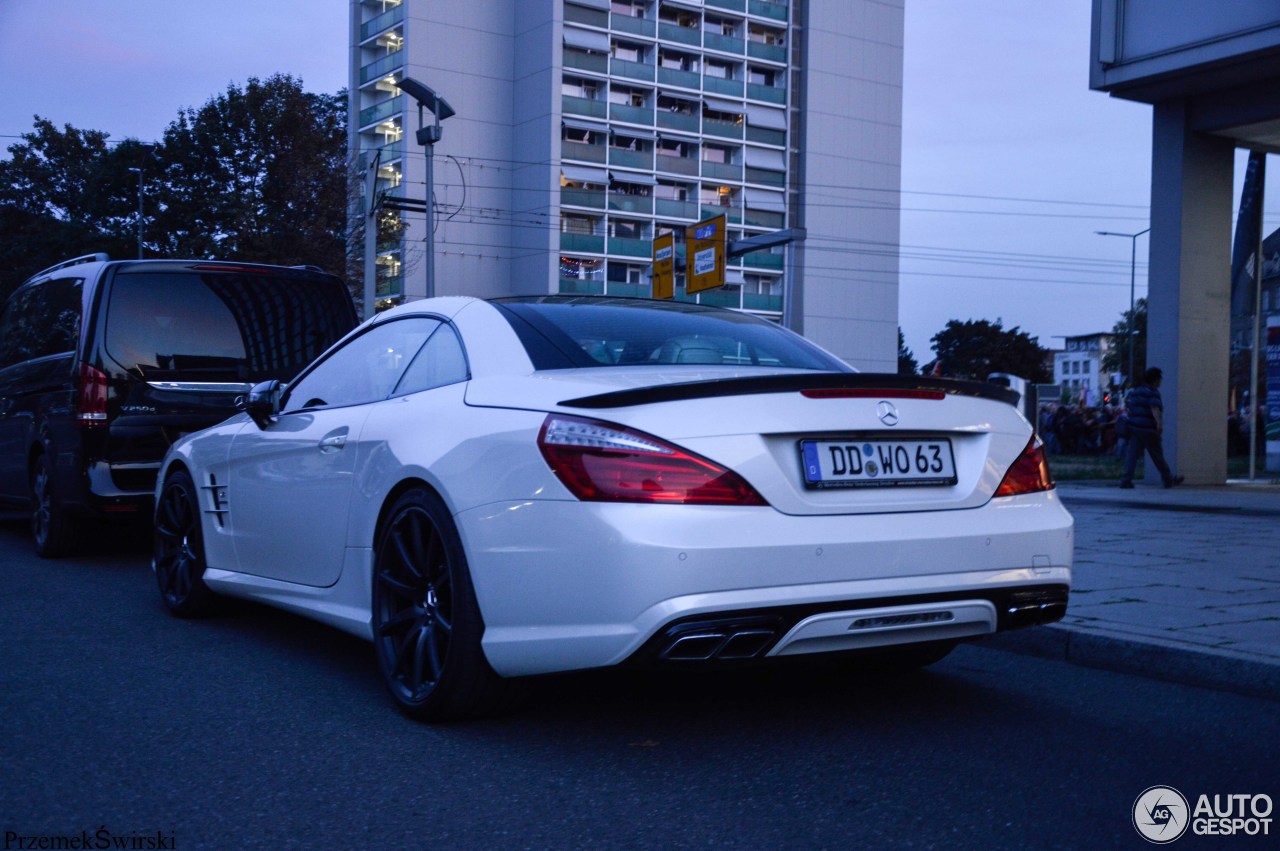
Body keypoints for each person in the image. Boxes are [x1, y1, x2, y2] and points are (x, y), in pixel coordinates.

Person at [1119, 367, 1184, 489]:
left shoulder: (1136, 391)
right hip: (1148, 429)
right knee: (1157, 455)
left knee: (1132, 455)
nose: (1160, 382)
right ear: (1155, 380)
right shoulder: (1153, 392)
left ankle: (1126, 479)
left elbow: (1130, 408)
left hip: (1134, 428)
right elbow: (1154, 408)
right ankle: (1168, 479)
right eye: (1160, 379)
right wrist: (1159, 424)